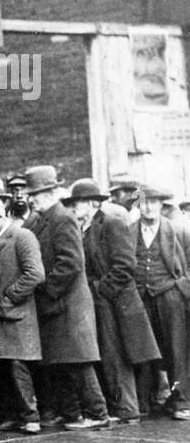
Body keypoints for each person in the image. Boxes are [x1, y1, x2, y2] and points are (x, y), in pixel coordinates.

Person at [69, 179, 160, 424]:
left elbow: (125, 265)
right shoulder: (84, 228)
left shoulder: (111, 224)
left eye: (76, 203)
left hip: (116, 303)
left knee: (117, 357)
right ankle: (119, 408)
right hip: (101, 303)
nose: (74, 208)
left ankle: (127, 410)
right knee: (108, 356)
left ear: (89, 203)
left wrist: (101, 289)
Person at [24, 166, 108, 430]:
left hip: (68, 304)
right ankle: (71, 414)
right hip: (56, 304)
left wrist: (47, 290)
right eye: (32, 194)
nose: (32, 199)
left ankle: (97, 413)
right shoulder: (41, 220)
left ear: (51, 192)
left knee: (78, 361)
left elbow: (71, 263)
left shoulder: (62, 218)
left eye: (37, 194)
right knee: (59, 361)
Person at [0, 193, 45, 434]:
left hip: (15, 315)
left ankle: (30, 415)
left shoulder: (23, 236)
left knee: (17, 364)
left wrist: (9, 297)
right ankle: (9, 414)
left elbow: (35, 273)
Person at [132, 184, 190, 420]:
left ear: (160, 205)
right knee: (145, 349)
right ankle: (148, 401)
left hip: (170, 296)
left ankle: (181, 401)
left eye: (153, 202)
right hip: (140, 296)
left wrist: (181, 288)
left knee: (176, 347)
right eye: (144, 202)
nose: (148, 207)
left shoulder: (178, 231)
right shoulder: (129, 231)